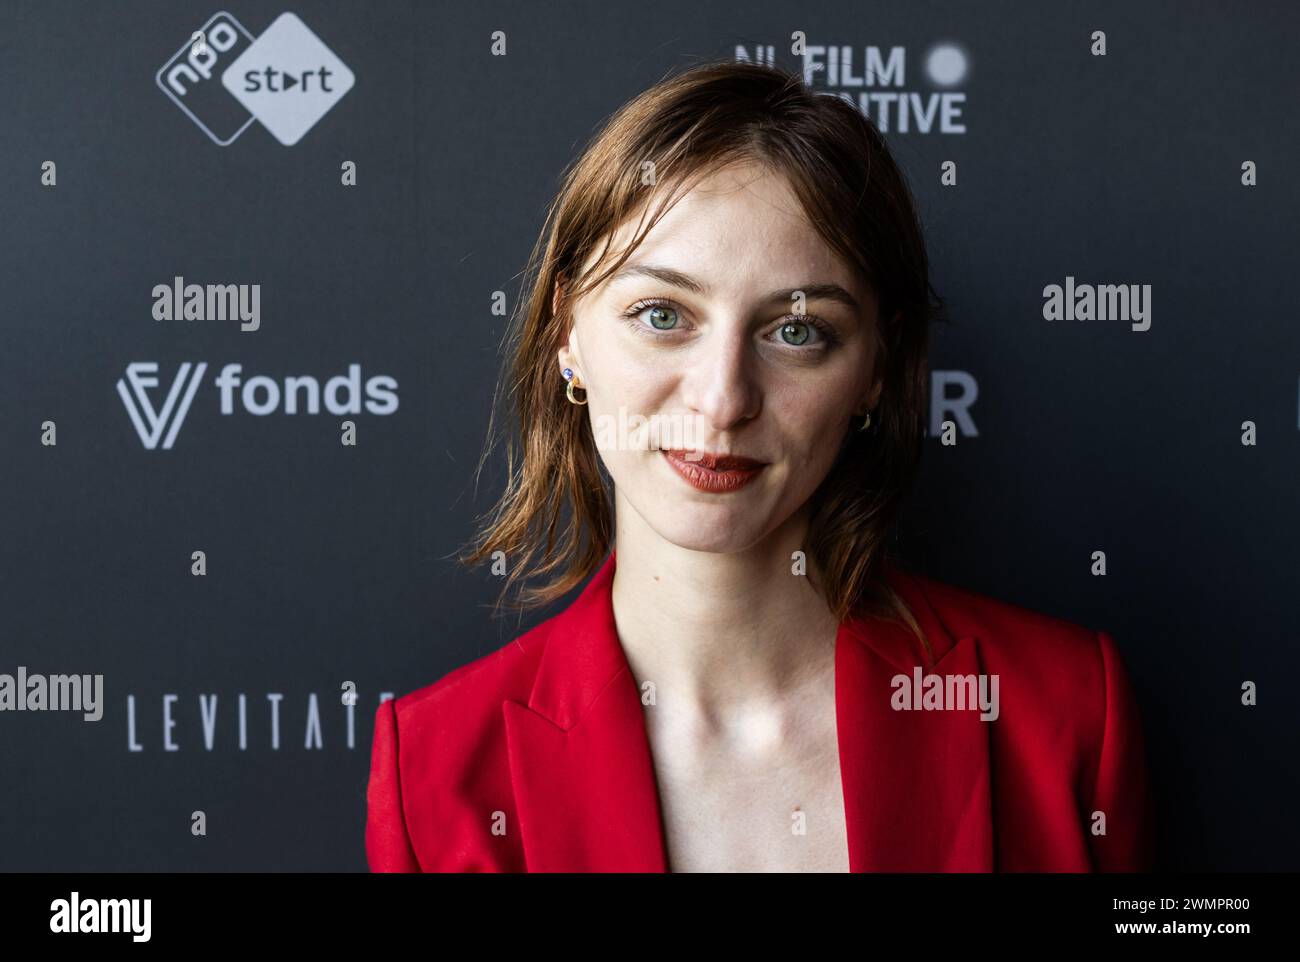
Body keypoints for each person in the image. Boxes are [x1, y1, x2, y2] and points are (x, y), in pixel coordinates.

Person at [365, 59, 1154, 872]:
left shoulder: (1063, 712)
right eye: (662, 315)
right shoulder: (435, 769)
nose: (722, 400)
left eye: (797, 331)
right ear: (568, 334)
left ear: (876, 372)